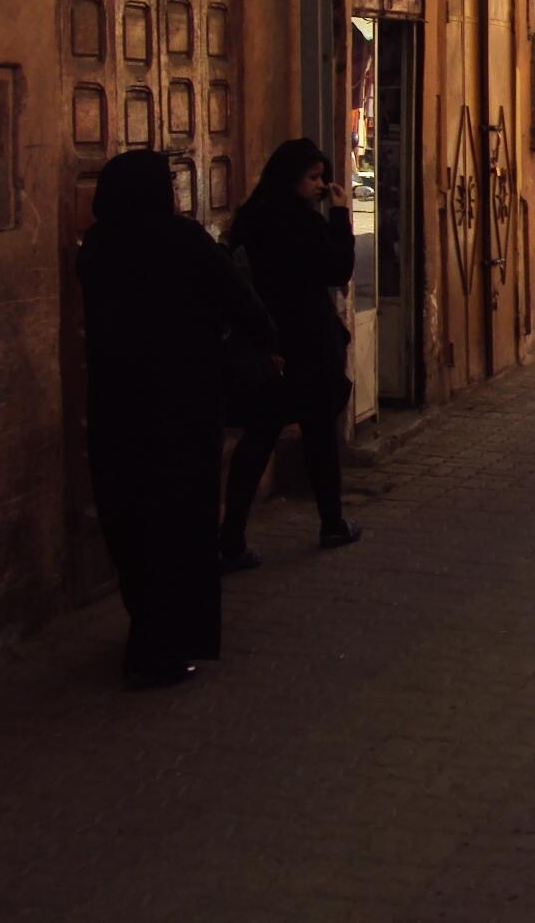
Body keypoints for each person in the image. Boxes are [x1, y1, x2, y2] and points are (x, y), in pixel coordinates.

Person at [77, 151, 280, 688]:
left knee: (131, 518)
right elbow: (240, 302)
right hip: (180, 406)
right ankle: (159, 647)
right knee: (178, 522)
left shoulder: (97, 246)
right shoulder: (184, 242)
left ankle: (146, 627)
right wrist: (267, 342)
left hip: (116, 407)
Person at [219, 139, 363, 567]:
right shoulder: (302, 224)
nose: (319, 185)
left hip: (269, 343)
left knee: (259, 437)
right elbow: (337, 269)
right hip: (306, 342)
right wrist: (340, 214)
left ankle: (231, 539)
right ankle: (331, 523)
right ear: (291, 179)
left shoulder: (251, 217)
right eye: (312, 178)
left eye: (321, 177)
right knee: (318, 433)